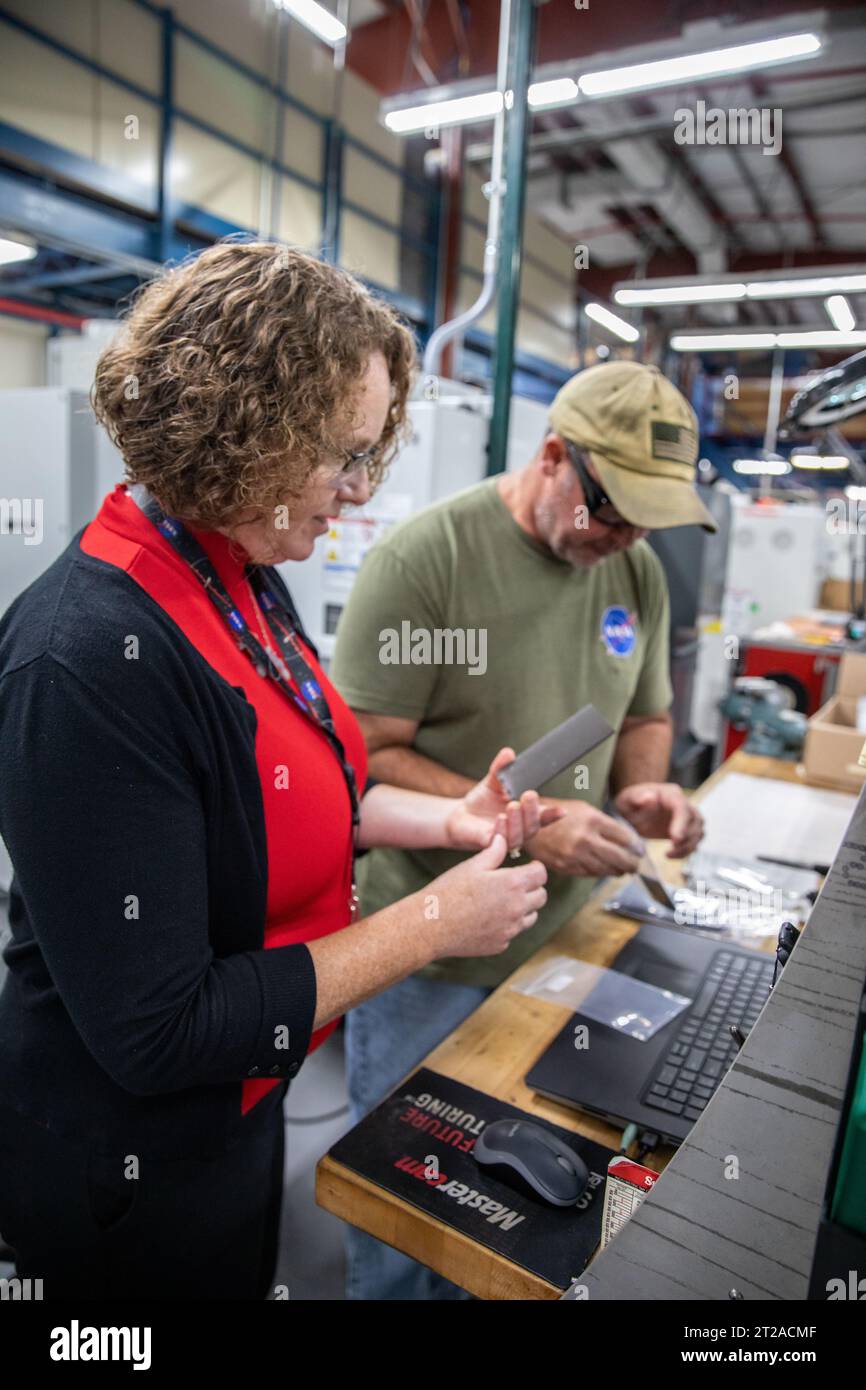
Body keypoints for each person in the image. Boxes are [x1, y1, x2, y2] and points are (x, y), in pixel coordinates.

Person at [0, 241, 559, 1301]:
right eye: (341, 455)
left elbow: (296, 795)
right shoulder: (82, 660)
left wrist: (443, 822)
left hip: (242, 1102)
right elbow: (159, 1028)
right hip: (123, 1163)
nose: (355, 490)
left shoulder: (242, 574)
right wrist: (436, 922)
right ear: (241, 435)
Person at [330, 359, 716, 1300]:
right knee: (403, 1218)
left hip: (568, 945)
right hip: (434, 959)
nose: (627, 538)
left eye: (646, 522)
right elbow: (361, 761)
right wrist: (526, 827)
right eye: (613, 511)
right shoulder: (426, 561)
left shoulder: (634, 570)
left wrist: (646, 792)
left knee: (503, 1229)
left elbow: (648, 715)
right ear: (553, 457)